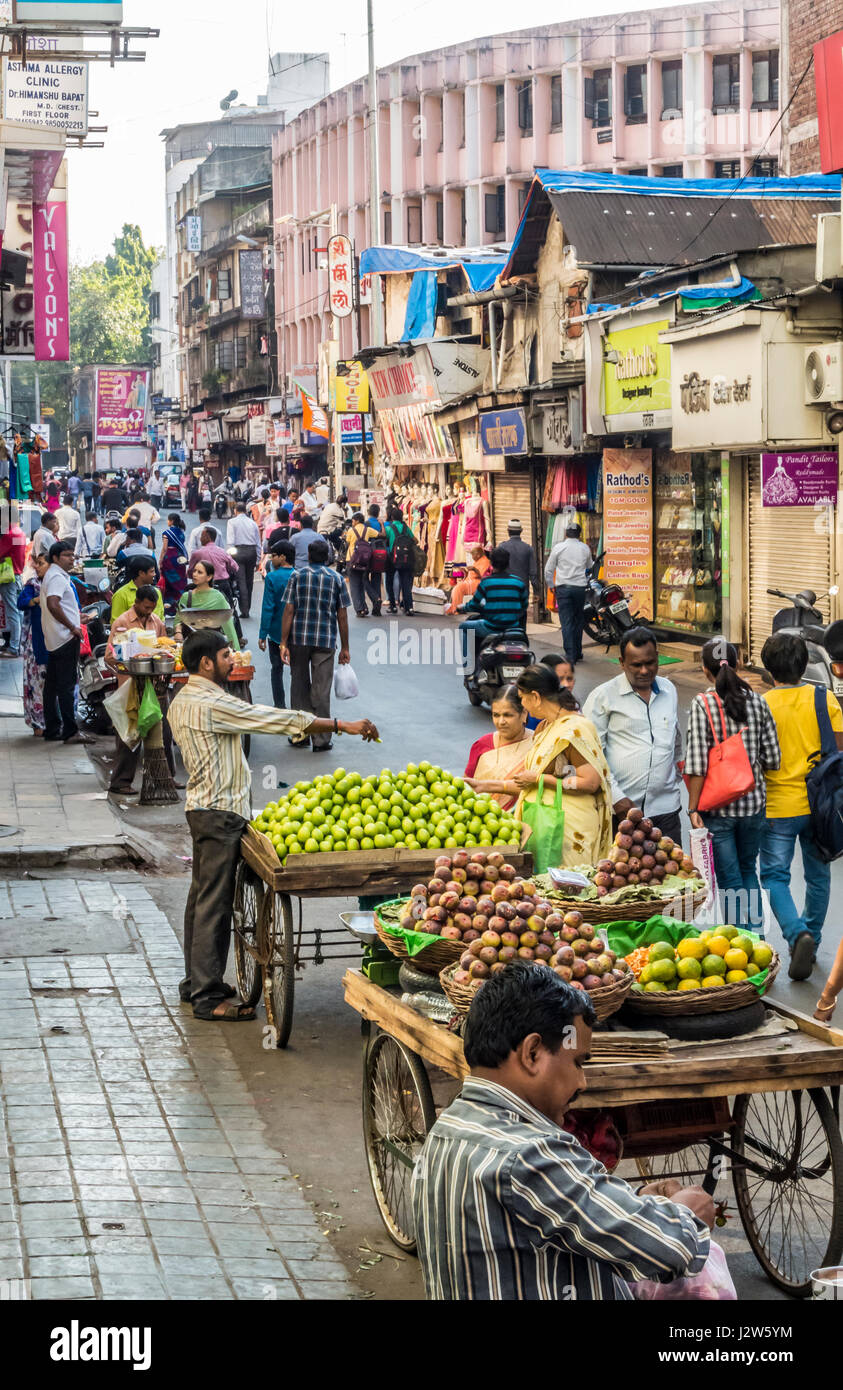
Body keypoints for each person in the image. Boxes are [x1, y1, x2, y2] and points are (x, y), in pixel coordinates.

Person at [412, 962, 713, 1300]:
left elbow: (553, 1218)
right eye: (578, 1062)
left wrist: (637, 1202)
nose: (582, 1081)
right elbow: (668, 1248)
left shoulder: (446, 1131)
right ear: (533, 1052)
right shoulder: (528, 1153)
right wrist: (689, 1214)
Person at [167, 628, 379, 1020]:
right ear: (206, 663)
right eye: (227, 655)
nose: (234, 661)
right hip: (221, 811)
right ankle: (208, 998)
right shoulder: (212, 703)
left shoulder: (181, 699)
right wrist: (339, 725)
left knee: (200, 900)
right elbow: (271, 719)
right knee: (214, 904)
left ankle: (195, 982)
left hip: (201, 808)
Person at [759, 633, 843, 981]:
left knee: (775, 876)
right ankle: (813, 935)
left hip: (777, 806)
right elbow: (838, 753)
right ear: (804, 663)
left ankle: (797, 935)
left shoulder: (761, 704)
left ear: (768, 668)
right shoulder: (825, 699)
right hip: (820, 805)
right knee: (818, 874)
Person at [684, 638, 780, 933]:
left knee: (729, 878)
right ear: (737, 664)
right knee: (748, 868)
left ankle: (742, 947)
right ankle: (758, 940)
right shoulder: (759, 701)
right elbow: (773, 758)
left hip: (718, 808)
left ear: (704, 669)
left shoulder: (703, 704)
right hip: (754, 806)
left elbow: (697, 763)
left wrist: (693, 808)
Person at [583, 628, 684, 847]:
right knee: (621, 878)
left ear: (658, 658)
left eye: (650, 663)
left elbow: (675, 741)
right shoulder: (603, 697)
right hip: (621, 812)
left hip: (665, 809)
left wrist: (674, 776)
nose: (644, 670)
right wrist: (616, 797)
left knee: (674, 875)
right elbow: (591, 754)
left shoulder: (669, 690)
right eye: (636, 665)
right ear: (622, 662)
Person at [514, 665, 613, 870]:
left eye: (522, 698)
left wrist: (540, 780)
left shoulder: (574, 729)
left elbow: (590, 782)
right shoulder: (546, 726)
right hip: (545, 822)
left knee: (570, 892)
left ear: (535, 697)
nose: (523, 705)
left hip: (569, 830)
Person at [279, 538, 351, 752]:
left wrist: (283, 642)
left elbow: (289, 610)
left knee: (299, 686)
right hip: (325, 641)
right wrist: (345, 647)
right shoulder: (337, 579)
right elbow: (342, 616)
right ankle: (321, 740)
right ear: (327, 557)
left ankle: (300, 735)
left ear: (309, 556)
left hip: (299, 639)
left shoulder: (297, 576)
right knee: (321, 690)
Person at [105, 585, 176, 796]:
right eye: (145, 607)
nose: (148, 612)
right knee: (129, 735)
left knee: (164, 730)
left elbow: (165, 649)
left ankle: (167, 776)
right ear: (136, 602)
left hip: (155, 686)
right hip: (130, 686)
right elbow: (110, 656)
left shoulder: (157, 622)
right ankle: (120, 781)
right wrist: (129, 658)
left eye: (152, 608)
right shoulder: (122, 623)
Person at [40, 541, 90, 745]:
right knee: (66, 686)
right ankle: (70, 730)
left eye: (72, 555)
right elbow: (53, 603)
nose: (72, 559)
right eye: (67, 555)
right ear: (55, 557)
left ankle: (52, 728)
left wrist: (77, 618)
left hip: (55, 637)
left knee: (52, 685)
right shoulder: (56, 577)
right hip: (64, 638)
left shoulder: (53, 575)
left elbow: (58, 605)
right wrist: (72, 626)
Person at [458, 547, 528, 674]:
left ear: (491, 563)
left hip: (491, 627)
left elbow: (475, 604)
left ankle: (468, 669)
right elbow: (524, 605)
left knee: (464, 627)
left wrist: (463, 607)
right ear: (508, 563)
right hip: (513, 628)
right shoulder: (519, 583)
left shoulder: (486, 582)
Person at [464, 686, 533, 810]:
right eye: (496, 715)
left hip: (522, 823)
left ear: (523, 714)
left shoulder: (538, 744)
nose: (501, 722)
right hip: (480, 821)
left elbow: (539, 788)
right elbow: (466, 786)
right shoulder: (482, 745)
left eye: (508, 715)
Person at [543, 522, 593, 666]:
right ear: (580, 534)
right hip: (579, 589)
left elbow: (548, 570)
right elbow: (590, 566)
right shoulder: (585, 548)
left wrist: (551, 585)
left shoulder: (559, 548)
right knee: (578, 620)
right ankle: (577, 652)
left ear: (566, 533)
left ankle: (570, 655)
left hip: (563, 588)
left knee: (566, 621)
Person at [258, 541, 296, 709]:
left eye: (273, 556)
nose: (271, 559)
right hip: (296, 632)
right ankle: (298, 705)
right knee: (298, 672)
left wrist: (262, 634)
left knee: (277, 669)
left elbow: (268, 607)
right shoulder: (299, 575)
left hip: (276, 633)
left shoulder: (272, 578)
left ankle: (279, 706)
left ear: (283, 557)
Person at [17, 552, 50, 733]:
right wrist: (35, 600)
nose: (36, 566)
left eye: (41, 563)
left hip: (57, 640)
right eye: (37, 563)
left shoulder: (64, 583)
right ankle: (38, 723)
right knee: (36, 682)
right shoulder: (33, 585)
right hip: (36, 640)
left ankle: (55, 722)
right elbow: (20, 602)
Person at [176, 560, 238, 648]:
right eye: (194, 571)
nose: (195, 574)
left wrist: (235, 649)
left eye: (199, 572)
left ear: (209, 577)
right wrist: (178, 632)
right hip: (192, 645)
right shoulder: (186, 596)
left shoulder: (218, 597)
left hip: (213, 644)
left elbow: (228, 625)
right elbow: (178, 621)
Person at [344, 511, 382, 617]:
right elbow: (382, 535)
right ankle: (373, 600)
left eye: (353, 521)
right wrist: (382, 525)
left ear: (356, 521)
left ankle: (360, 609)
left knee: (354, 586)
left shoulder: (351, 531)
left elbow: (347, 543)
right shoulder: (368, 530)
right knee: (362, 582)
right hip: (365, 561)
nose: (352, 522)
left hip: (352, 560)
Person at [227, 501, 261, 618]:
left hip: (238, 552)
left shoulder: (232, 522)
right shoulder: (252, 523)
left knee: (241, 581)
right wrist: (258, 560)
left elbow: (230, 541)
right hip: (251, 552)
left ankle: (244, 609)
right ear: (245, 511)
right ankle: (247, 608)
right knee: (249, 582)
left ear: (235, 511)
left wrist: (229, 558)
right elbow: (258, 542)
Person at [0, 511, 27, 659]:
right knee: (16, 612)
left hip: (8, 575)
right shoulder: (19, 532)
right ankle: (17, 645)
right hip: (16, 574)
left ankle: (13, 647)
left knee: (12, 612)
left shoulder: (10, 534)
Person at [385, 506, 417, 616]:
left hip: (392, 559)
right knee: (406, 583)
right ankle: (409, 608)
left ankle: (393, 605)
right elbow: (415, 540)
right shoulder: (406, 528)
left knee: (389, 581)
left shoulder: (389, 528)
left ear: (392, 517)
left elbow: (385, 540)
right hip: (405, 559)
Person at [111, 557, 165, 622]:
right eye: (152, 571)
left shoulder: (157, 592)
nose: (154, 574)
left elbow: (161, 618)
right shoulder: (121, 595)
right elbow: (116, 622)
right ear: (141, 573)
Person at [499, 518, 538, 601]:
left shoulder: (502, 547)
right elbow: (533, 573)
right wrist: (536, 592)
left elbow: (496, 569)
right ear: (521, 531)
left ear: (508, 531)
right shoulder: (528, 548)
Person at [445, 545, 491, 615]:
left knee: (459, 588)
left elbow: (483, 576)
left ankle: (456, 609)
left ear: (478, 555)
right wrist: (464, 571)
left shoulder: (485, 561)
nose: (472, 557)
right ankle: (455, 608)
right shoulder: (479, 561)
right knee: (457, 588)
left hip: (478, 583)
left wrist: (474, 569)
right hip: (471, 581)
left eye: (473, 555)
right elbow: (470, 575)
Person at [158, 513, 189, 612]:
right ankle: (180, 604)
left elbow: (164, 549)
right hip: (180, 559)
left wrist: (160, 561)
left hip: (169, 558)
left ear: (171, 521)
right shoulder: (181, 531)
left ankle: (169, 607)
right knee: (180, 582)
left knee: (168, 584)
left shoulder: (166, 533)